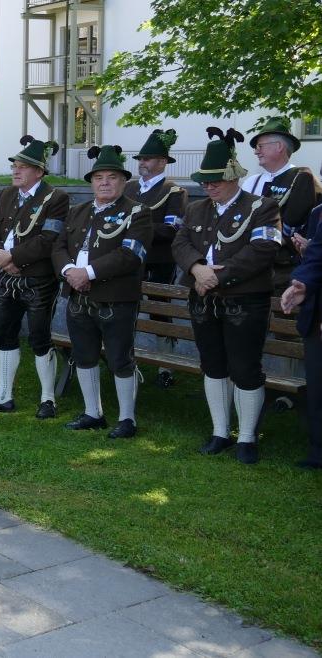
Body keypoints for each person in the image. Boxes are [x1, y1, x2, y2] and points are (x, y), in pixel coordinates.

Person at [174, 127, 282, 465]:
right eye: (205, 181)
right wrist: (196, 269)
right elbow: (181, 243)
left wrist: (215, 276)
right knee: (213, 365)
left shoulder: (262, 207)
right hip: (203, 298)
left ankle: (247, 437)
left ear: (234, 176)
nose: (209, 186)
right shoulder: (196, 209)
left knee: (245, 367)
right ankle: (220, 431)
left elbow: (263, 248)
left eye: (215, 181)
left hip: (245, 299)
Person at [52, 145, 152, 439]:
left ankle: (127, 419)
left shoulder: (138, 212)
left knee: (120, 358)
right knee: (84, 355)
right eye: (99, 178)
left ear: (123, 182)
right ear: (92, 182)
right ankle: (92, 413)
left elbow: (131, 255)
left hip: (116, 298)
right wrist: (70, 272)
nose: (105, 182)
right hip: (77, 294)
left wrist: (88, 273)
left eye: (111, 177)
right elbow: (57, 247)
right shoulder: (77, 211)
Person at [0, 137, 70, 418]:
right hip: (7, 276)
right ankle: (3, 395)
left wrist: (13, 257)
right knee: (4, 333)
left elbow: (49, 239)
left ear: (39, 171)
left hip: (38, 279)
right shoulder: (9, 194)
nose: (16, 171)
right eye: (15, 166)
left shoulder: (56, 198)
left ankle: (48, 400)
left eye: (23, 167)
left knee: (39, 337)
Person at [124, 129, 188, 389]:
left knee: (162, 310)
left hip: (159, 259)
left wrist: (136, 230)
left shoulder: (174, 191)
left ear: (162, 162)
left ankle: (166, 365)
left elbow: (172, 229)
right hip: (127, 259)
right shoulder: (128, 187)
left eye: (148, 159)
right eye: (140, 159)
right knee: (126, 307)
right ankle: (127, 358)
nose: (142, 163)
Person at [242, 116, 321, 290]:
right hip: (247, 265)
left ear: (279, 146)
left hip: (281, 269)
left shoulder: (301, 178)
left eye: (260, 146)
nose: (256, 151)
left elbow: (291, 228)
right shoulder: (251, 181)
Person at [281, 235, 322, 469]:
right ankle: (318, 452)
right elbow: (316, 259)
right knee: (317, 389)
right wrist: (302, 283)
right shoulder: (320, 214)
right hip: (315, 320)